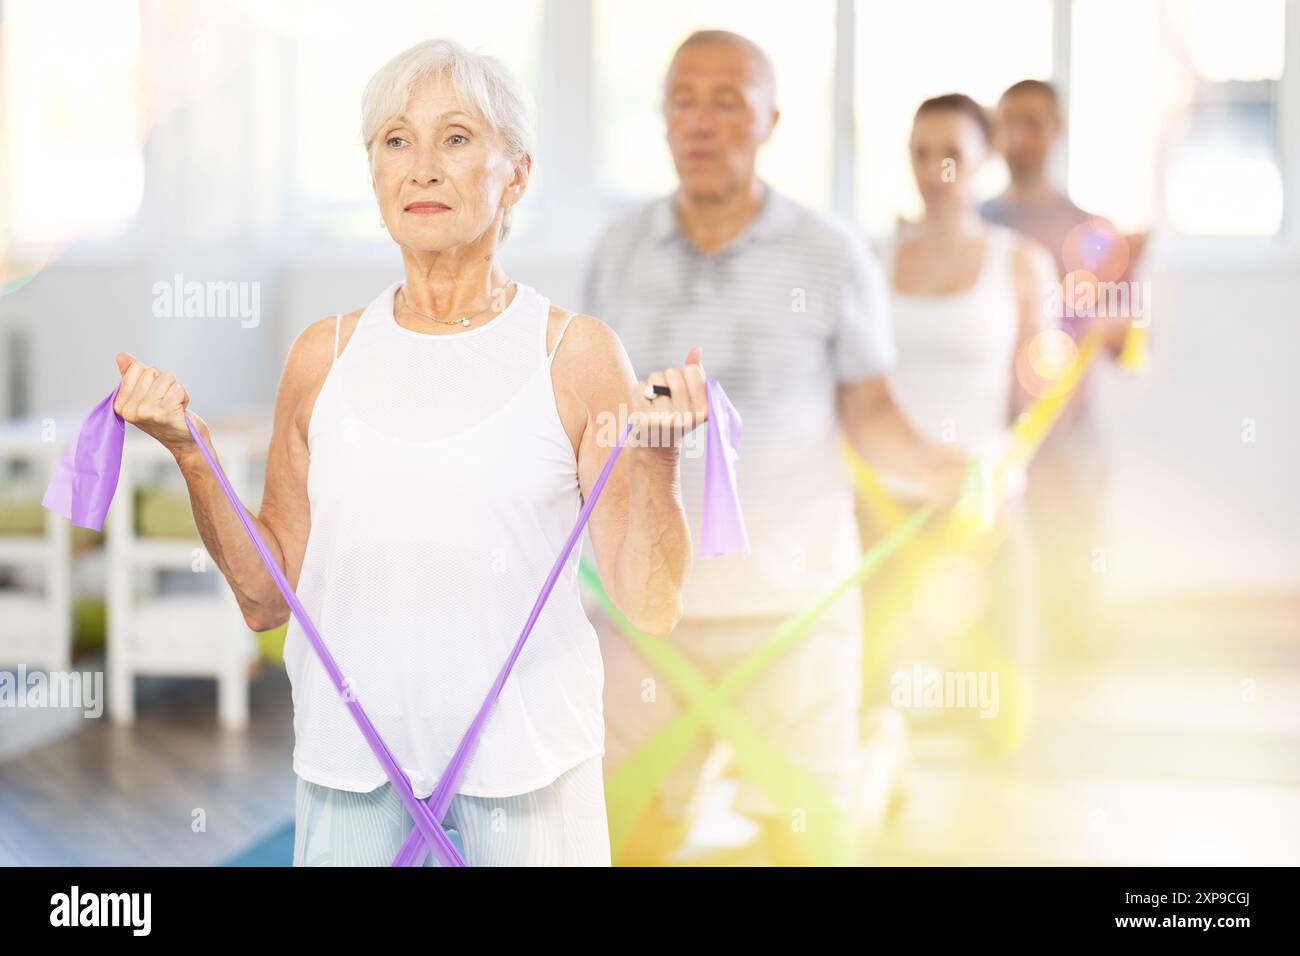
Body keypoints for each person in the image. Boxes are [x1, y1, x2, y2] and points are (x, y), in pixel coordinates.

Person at [111, 38, 711, 867]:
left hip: (527, 773)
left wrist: (660, 461)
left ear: (517, 175)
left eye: (457, 137)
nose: (422, 167)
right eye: (396, 140)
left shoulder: (576, 355)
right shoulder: (322, 358)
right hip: (349, 769)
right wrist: (192, 452)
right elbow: (263, 596)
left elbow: (650, 605)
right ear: (374, 172)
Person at [583, 30, 967, 865]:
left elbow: (868, 409)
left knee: (806, 840)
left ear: (770, 121)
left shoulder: (831, 255)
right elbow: (591, 424)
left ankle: (876, 761)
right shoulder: (616, 255)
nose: (701, 123)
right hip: (644, 618)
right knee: (626, 837)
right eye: (683, 101)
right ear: (662, 118)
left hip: (797, 612)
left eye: (728, 103)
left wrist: (934, 463)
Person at [863, 94, 1055, 711]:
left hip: (982, 500)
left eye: (951, 155)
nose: (933, 170)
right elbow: (855, 385)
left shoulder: (1021, 264)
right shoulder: (874, 260)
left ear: (985, 160)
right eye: (921, 153)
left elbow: (1037, 394)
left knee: (997, 698)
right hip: (884, 498)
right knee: (871, 682)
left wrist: (1007, 478)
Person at [980, 79, 1143, 651]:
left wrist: (1118, 321)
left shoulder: (1095, 233)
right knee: (994, 571)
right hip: (994, 427)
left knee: (1073, 565)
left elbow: (1127, 348)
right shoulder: (975, 227)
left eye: (1035, 122)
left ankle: (1077, 673)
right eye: (1010, 123)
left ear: (1057, 129)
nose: (1022, 137)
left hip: (1070, 433)